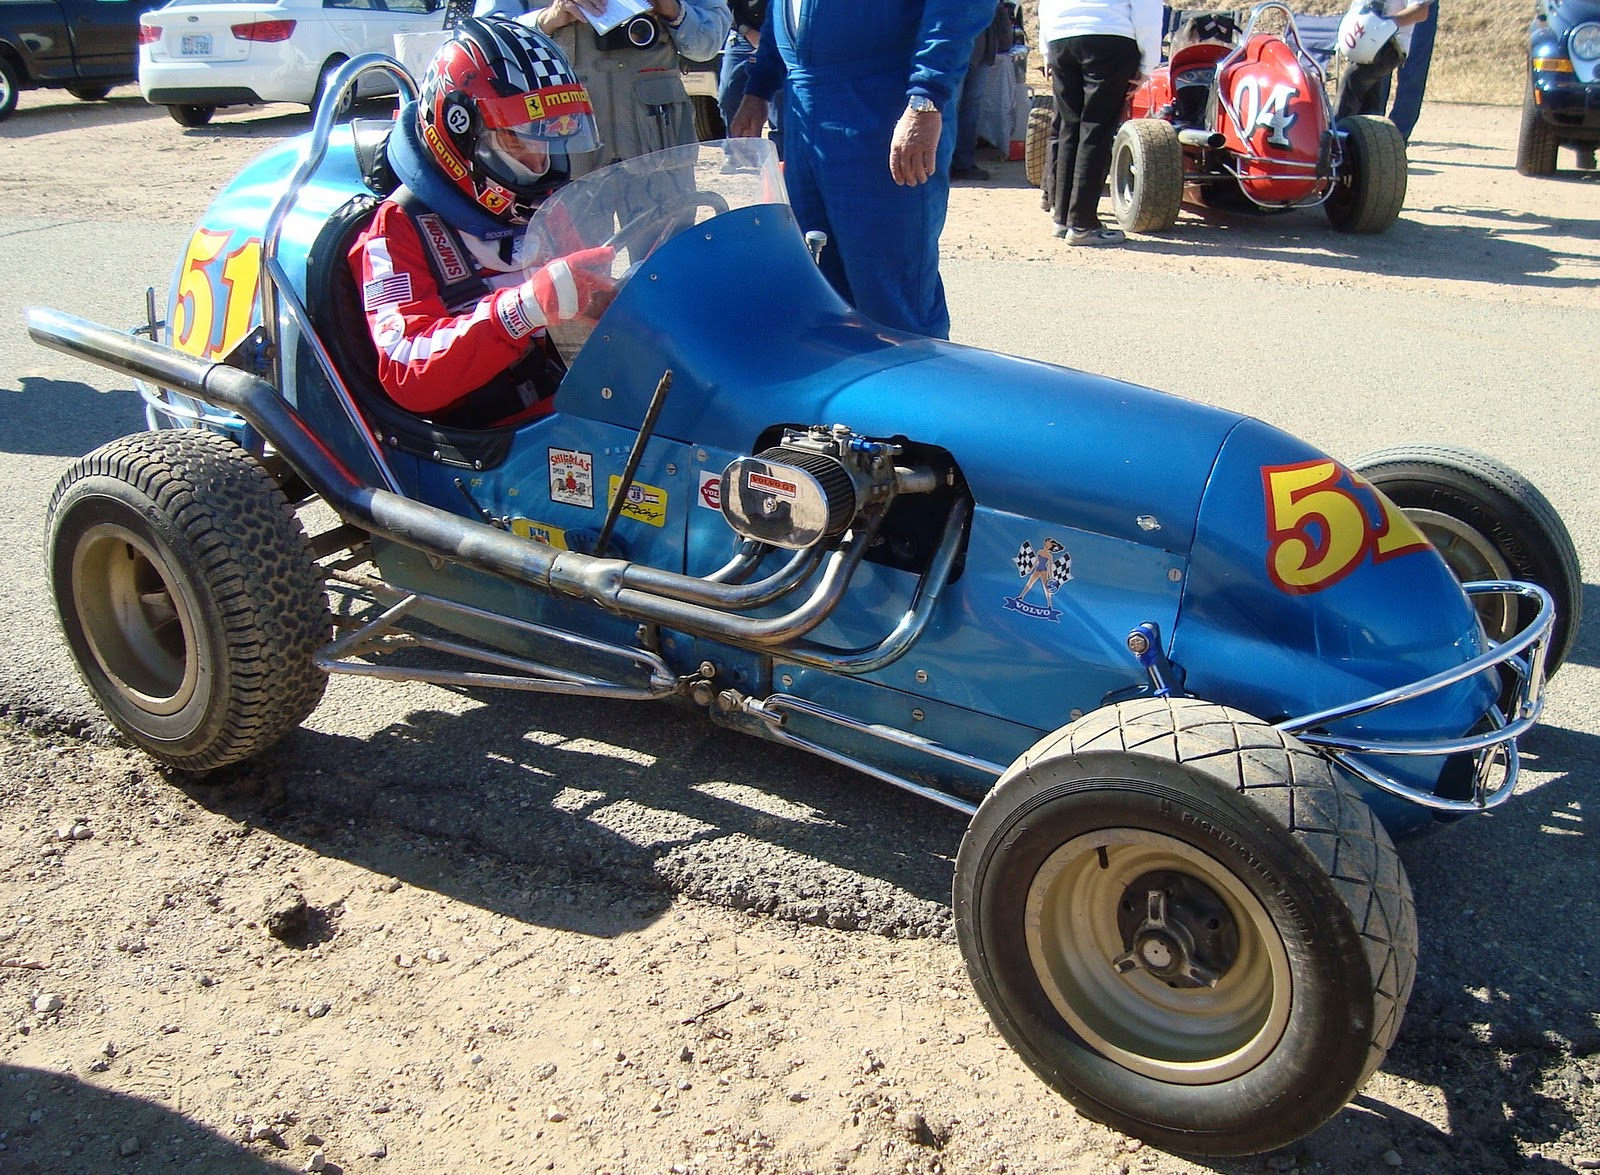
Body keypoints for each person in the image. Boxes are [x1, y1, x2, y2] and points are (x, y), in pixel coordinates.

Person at [347, 17, 616, 428]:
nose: (539, 160)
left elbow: (586, 327)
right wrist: (522, 309)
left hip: (552, 411)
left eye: (552, 136)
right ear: (462, 133)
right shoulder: (398, 227)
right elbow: (407, 374)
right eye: (518, 139)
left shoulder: (549, 208)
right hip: (474, 442)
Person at [727, 1, 997, 340]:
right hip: (804, 111)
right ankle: (847, 392)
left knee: (894, 302)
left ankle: (912, 391)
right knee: (820, 293)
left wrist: (926, 98)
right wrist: (759, 88)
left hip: (880, 108)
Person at [472, 0, 732, 172]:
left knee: (666, 249)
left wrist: (672, 9)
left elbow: (707, 44)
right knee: (571, 251)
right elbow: (487, 39)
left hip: (657, 135)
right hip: (563, 135)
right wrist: (549, 18)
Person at [1041, 0, 1162, 246]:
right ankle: (1083, 223)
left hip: (1061, 36)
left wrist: (1046, 49)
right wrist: (1148, 64)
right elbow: (1147, 9)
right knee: (1096, 130)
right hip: (1109, 37)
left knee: (1069, 128)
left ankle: (1063, 216)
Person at [1334, 0, 1435, 124]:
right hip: (1363, 42)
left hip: (1391, 45)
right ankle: (1370, 138)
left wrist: (1389, 23)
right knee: (1369, 99)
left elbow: (1421, 11)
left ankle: (1334, 136)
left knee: (1353, 80)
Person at [952, 2, 1017, 181]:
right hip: (953, 46)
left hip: (982, 48)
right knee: (950, 107)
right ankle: (942, 163)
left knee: (970, 109)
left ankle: (963, 163)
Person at [718, 0, 780, 154]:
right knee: (727, 96)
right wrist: (749, 32)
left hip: (778, 34)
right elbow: (726, 7)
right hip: (742, 35)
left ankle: (779, 155)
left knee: (779, 105)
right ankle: (734, 152)